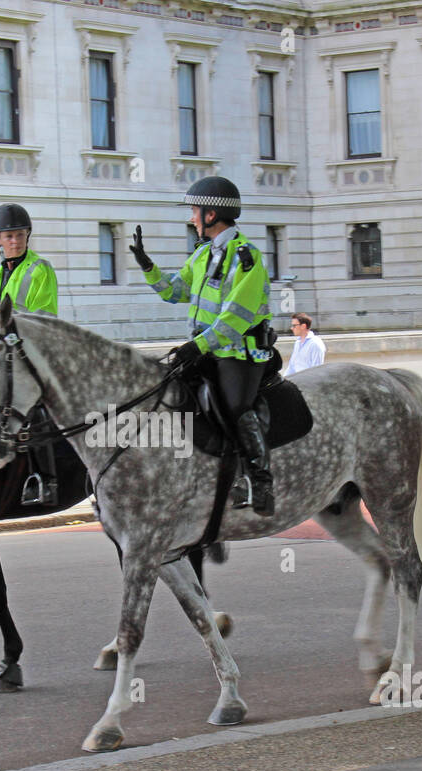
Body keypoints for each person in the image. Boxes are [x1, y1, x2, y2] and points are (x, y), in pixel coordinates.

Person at [130, 176, 276, 516]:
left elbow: (235, 318)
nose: (192, 217)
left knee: (233, 407)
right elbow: (174, 292)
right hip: (207, 350)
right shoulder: (201, 255)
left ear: (212, 214)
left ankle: (259, 480)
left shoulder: (246, 258)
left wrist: (198, 346)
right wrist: (147, 265)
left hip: (240, 353)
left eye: (195, 211)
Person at [0, 202, 61, 507]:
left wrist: (12, 335)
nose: (14, 240)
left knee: (32, 408)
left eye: (19, 235)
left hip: (32, 353)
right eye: (8, 236)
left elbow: (45, 316)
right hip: (1, 355)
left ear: (27, 236)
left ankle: (46, 480)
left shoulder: (40, 269)